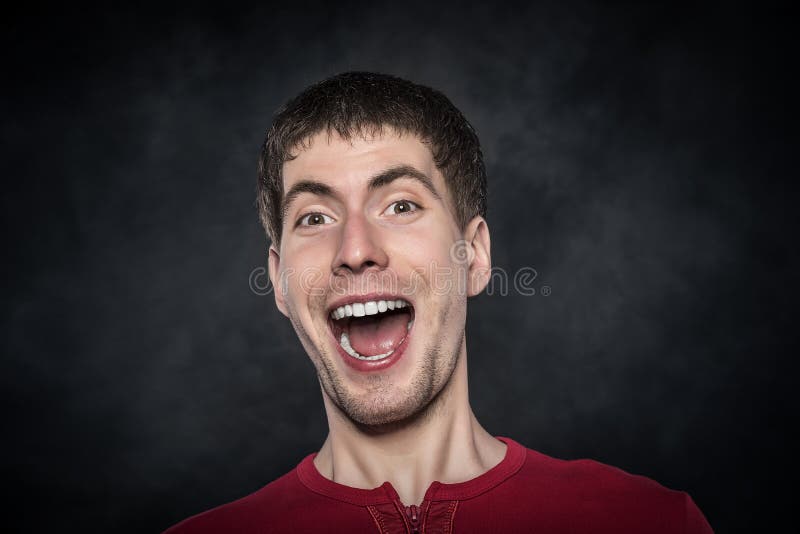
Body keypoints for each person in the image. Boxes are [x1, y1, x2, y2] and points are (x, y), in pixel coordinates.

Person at [165, 72, 713, 533]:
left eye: (400, 206)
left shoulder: (649, 521)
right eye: (315, 217)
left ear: (473, 255)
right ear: (280, 281)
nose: (355, 250)